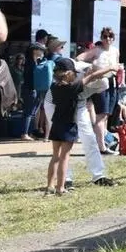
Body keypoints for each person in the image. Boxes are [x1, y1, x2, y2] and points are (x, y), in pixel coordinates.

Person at [46, 58, 109, 195]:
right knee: (64, 155)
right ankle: (63, 183)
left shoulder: (57, 84)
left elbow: (94, 82)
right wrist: (111, 68)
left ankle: (50, 187)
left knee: (85, 140)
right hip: (60, 109)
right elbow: (90, 77)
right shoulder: (76, 77)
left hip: (69, 110)